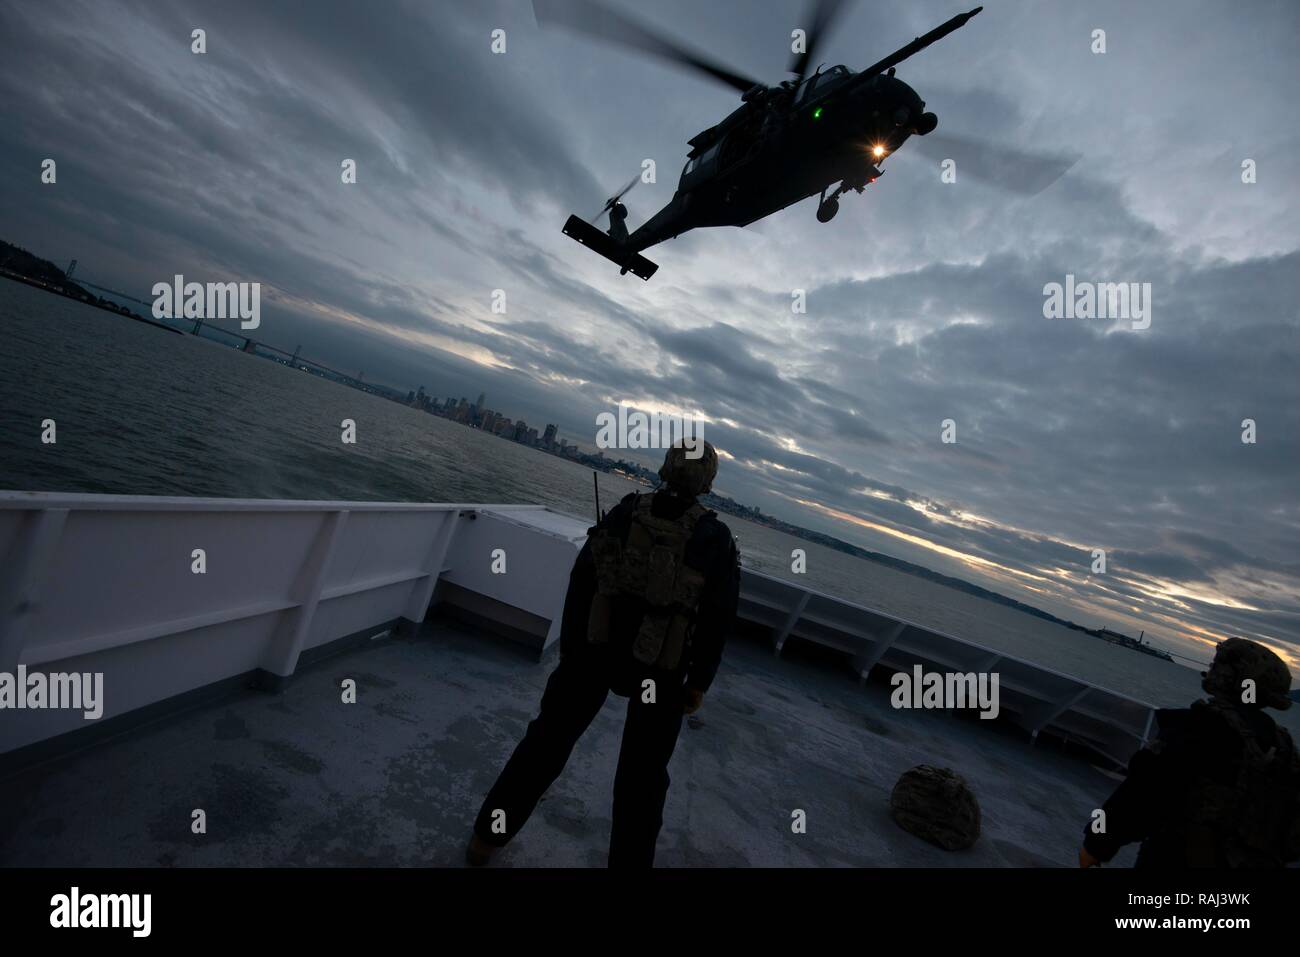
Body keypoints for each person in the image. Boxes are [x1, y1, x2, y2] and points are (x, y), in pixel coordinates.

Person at [468, 439, 740, 867]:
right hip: (659, 672)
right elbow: (717, 619)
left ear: (666, 468)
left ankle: (486, 839)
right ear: (708, 482)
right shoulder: (715, 537)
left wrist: (573, 650)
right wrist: (698, 684)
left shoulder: (629, 509)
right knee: (642, 779)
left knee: (545, 744)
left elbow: (584, 579)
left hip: (596, 653)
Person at [1079, 636, 1299, 868]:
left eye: (1219, 664)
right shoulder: (1283, 744)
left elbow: (1141, 794)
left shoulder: (1201, 727)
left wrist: (1096, 844)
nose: (1212, 668)